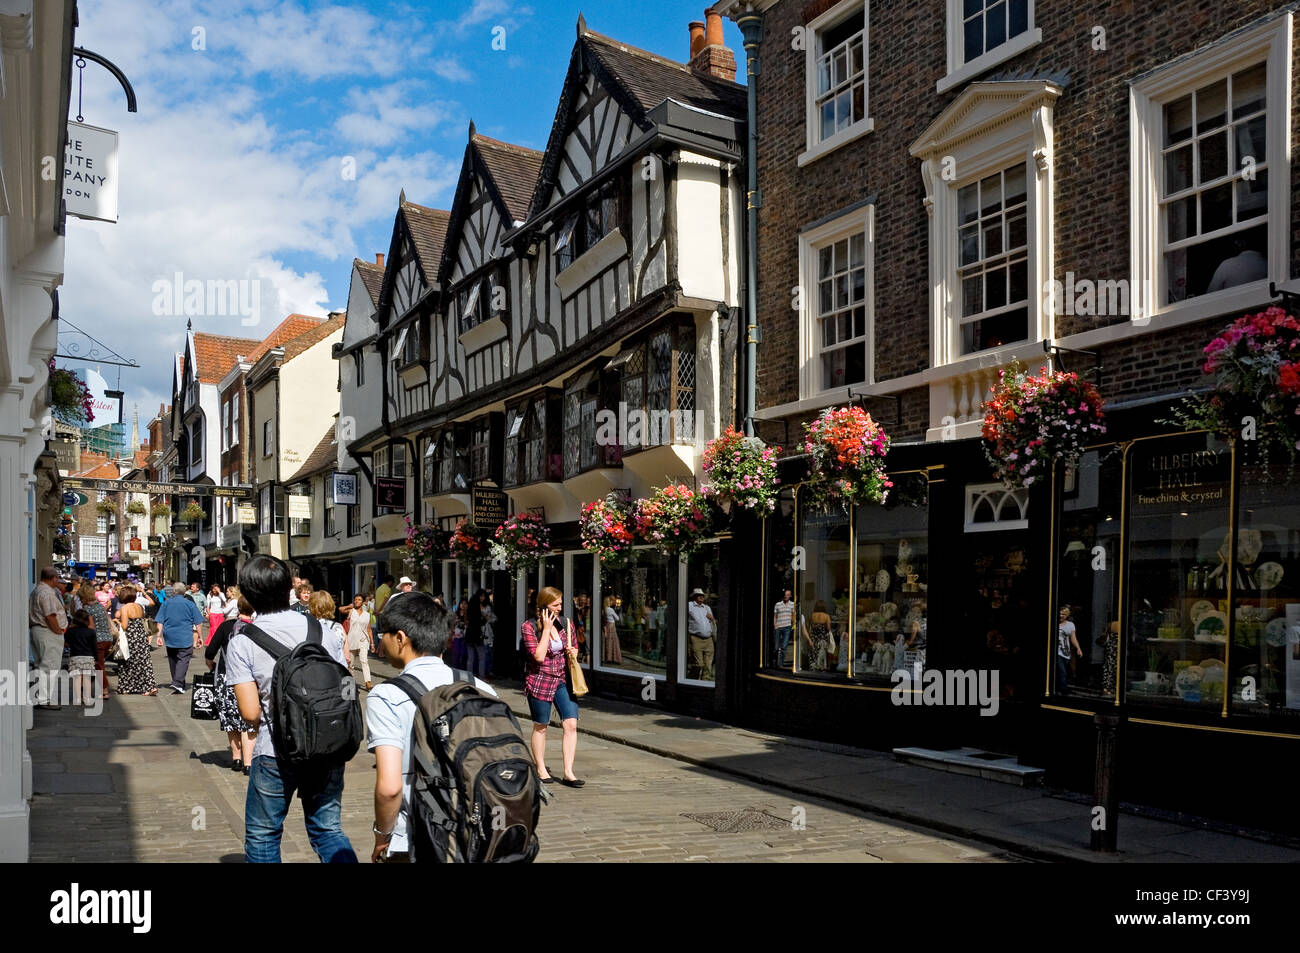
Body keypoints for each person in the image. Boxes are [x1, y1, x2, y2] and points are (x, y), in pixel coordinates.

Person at [225, 554, 356, 864]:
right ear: (289, 589)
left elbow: (250, 713)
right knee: (328, 831)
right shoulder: (322, 629)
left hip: (275, 751)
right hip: (327, 745)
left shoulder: (243, 641)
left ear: (248, 594)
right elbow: (345, 685)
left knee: (263, 834)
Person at [367, 590, 497, 862]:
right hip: (479, 835)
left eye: (384, 635)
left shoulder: (387, 696)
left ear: (400, 638)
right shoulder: (481, 687)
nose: (382, 642)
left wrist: (382, 835)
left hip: (417, 837)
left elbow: (390, 788)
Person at [521, 587, 583, 787]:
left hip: (563, 680)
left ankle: (568, 772)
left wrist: (573, 650)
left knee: (571, 723)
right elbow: (538, 656)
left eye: (560, 604)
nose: (559, 608)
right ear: (543, 606)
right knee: (541, 726)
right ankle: (540, 768)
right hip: (539, 680)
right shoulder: (529, 627)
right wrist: (546, 629)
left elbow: (574, 647)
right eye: (555, 604)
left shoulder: (566, 623)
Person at [205, 595, 256, 774]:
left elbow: (210, 651)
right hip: (250, 680)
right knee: (248, 721)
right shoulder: (257, 628)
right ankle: (248, 763)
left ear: (238, 608)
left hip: (225, 678)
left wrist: (211, 664)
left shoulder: (226, 626)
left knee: (230, 719)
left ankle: (236, 758)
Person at [155, 581, 205, 694]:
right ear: (184, 592)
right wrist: (200, 637)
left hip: (170, 636)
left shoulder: (166, 603)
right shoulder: (190, 604)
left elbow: (160, 621)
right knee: (183, 659)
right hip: (185, 636)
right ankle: (178, 682)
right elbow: (198, 622)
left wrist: (158, 636)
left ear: (174, 591)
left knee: (173, 660)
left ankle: (178, 683)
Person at [29, 567, 68, 709]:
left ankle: (39, 697)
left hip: (39, 630)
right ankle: (44, 699)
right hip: (47, 632)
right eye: (57, 578)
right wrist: (58, 631)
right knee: (50, 666)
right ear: (53, 578)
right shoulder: (47, 593)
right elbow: (50, 615)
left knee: (41, 665)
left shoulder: (37, 590)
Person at [114, 586, 159, 695]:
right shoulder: (138, 606)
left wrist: (117, 621)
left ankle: (127, 687)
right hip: (141, 637)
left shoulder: (125, 608)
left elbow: (125, 626)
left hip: (131, 638)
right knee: (144, 662)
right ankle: (150, 687)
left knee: (127, 662)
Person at [79, 581, 115, 697]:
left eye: (80, 598)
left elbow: (90, 627)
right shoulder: (99, 605)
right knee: (97, 664)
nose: (80, 600)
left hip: (97, 640)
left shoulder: (87, 609)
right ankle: (86, 687)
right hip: (107, 639)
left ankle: (104, 690)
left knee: (99, 666)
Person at [65, 609, 98, 708]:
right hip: (88, 657)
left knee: (77, 679)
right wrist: (96, 658)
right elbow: (94, 646)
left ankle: (77, 698)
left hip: (75, 656)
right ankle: (87, 698)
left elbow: (67, 642)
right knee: (87, 679)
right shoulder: (91, 632)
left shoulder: (71, 631)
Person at [345, 594, 373, 691]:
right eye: (356, 600)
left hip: (363, 640)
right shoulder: (351, 611)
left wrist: (372, 643)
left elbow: (369, 629)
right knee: (351, 663)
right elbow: (340, 609)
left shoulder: (367, 614)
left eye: (359, 600)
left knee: (364, 661)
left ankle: (368, 682)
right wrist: (349, 606)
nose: (357, 601)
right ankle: (350, 683)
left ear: (363, 602)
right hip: (351, 639)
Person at [687, 588, 716, 680]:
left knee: (708, 665)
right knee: (698, 664)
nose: (701, 597)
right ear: (694, 596)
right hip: (696, 638)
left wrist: (712, 618)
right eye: (699, 595)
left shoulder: (707, 608)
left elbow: (713, 622)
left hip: (708, 639)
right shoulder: (689, 606)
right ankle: (693, 680)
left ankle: (705, 682)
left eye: (702, 595)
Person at [1056, 606, 1082, 695]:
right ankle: (1064, 691)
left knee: (1065, 672)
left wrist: (1078, 648)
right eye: (1059, 613)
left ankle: (1060, 688)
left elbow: (1073, 638)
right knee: (1062, 672)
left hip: (1066, 653)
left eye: (1063, 614)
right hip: (1057, 652)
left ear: (1067, 615)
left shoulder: (1070, 625)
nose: (1060, 615)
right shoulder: (1054, 623)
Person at [803, 600, 833, 672]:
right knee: (822, 653)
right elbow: (828, 628)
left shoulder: (812, 615)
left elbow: (808, 625)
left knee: (814, 652)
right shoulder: (826, 616)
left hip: (813, 636)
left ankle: (813, 667)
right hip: (822, 637)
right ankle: (821, 668)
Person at [466, 589, 487, 677]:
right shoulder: (478, 607)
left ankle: (469, 677)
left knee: (470, 658)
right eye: (482, 596)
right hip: (477, 635)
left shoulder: (470, 605)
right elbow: (480, 622)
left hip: (469, 634)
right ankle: (481, 676)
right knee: (481, 657)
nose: (483, 598)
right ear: (480, 596)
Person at [773, 589, 795, 668]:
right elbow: (775, 616)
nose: (786, 596)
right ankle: (774, 662)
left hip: (787, 627)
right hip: (778, 627)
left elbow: (793, 615)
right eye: (785, 594)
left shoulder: (792, 604)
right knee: (776, 647)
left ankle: (780, 664)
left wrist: (793, 624)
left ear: (790, 596)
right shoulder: (778, 604)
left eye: (787, 595)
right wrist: (775, 625)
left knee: (784, 647)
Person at [601, 595, 623, 665]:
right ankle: (613, 658)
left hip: (607, 625)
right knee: (613, 641)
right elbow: (617, 618)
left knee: (607, 642)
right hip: (612, 625)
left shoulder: (603, 609)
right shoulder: (610, 609)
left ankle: (606, 657)